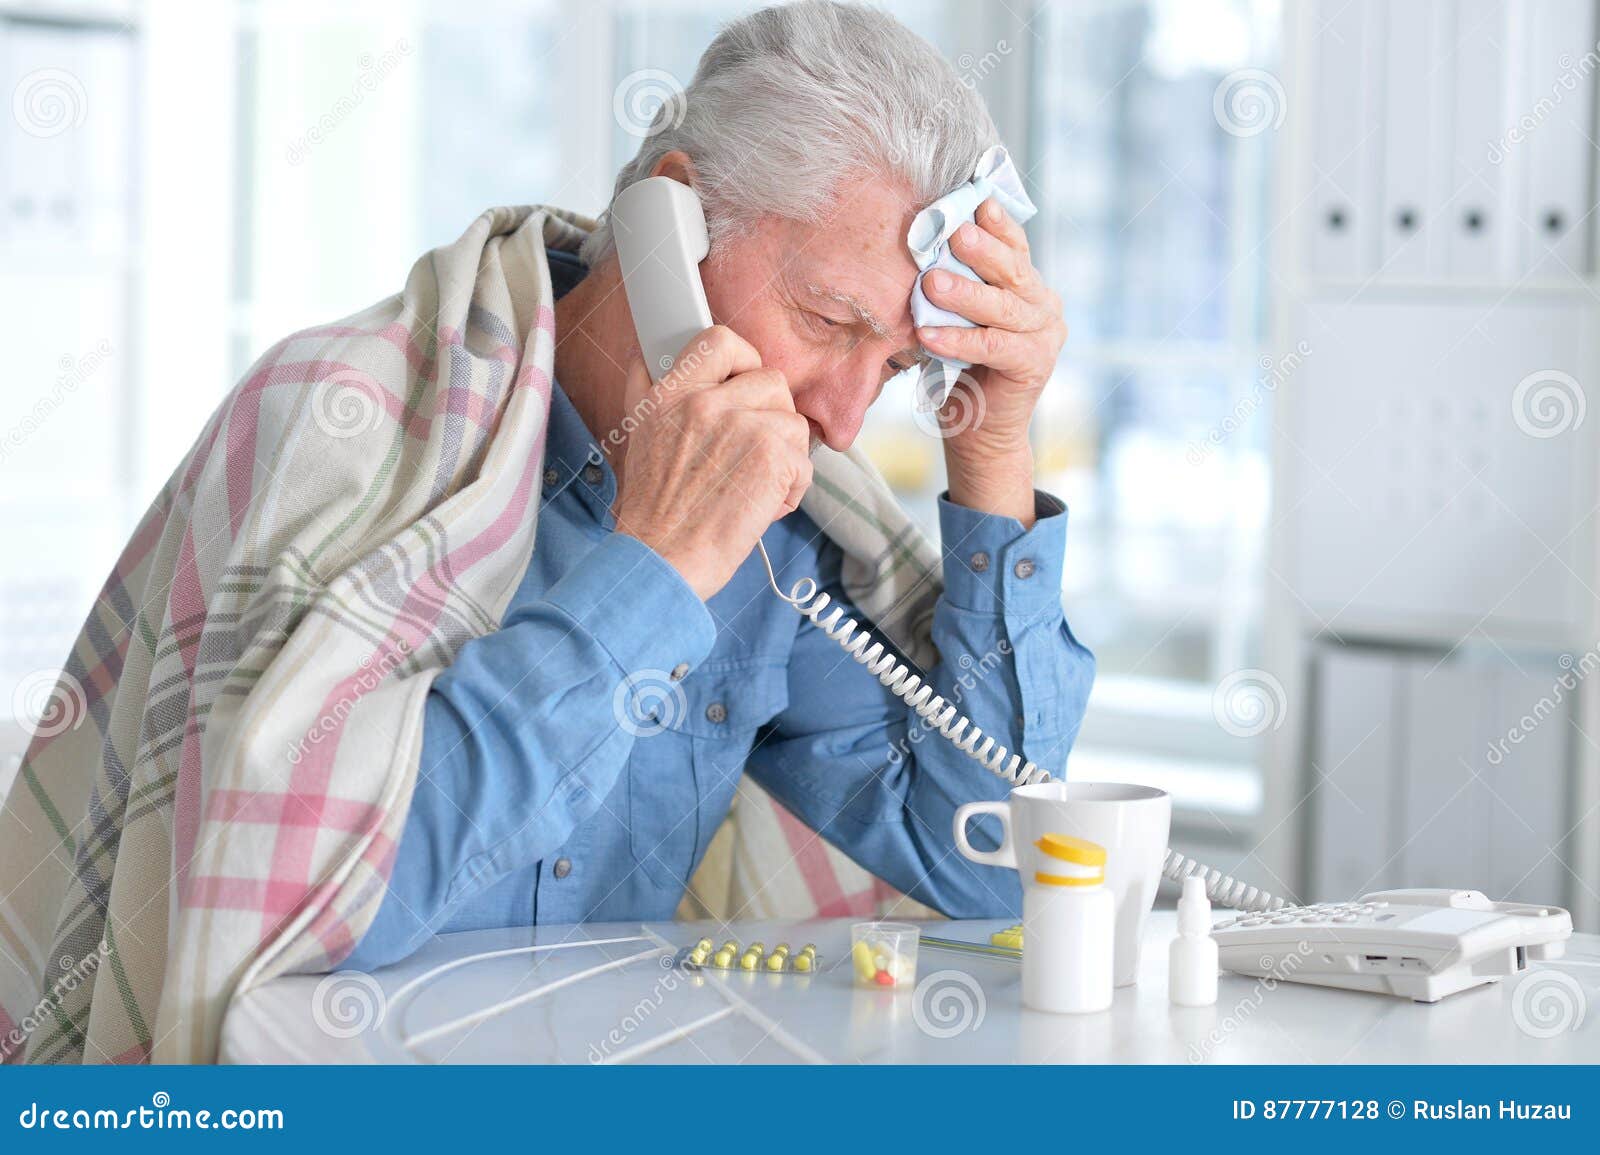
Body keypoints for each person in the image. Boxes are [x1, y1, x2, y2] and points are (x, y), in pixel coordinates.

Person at [343, 0, 1092, 969]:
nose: (843, 423)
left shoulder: (782, 543)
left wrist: (991, 450)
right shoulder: (361, 435)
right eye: (828, 320)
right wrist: (654, 569)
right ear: (670, 227)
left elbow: (982, 862)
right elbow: (330, 906)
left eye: (900, 369)